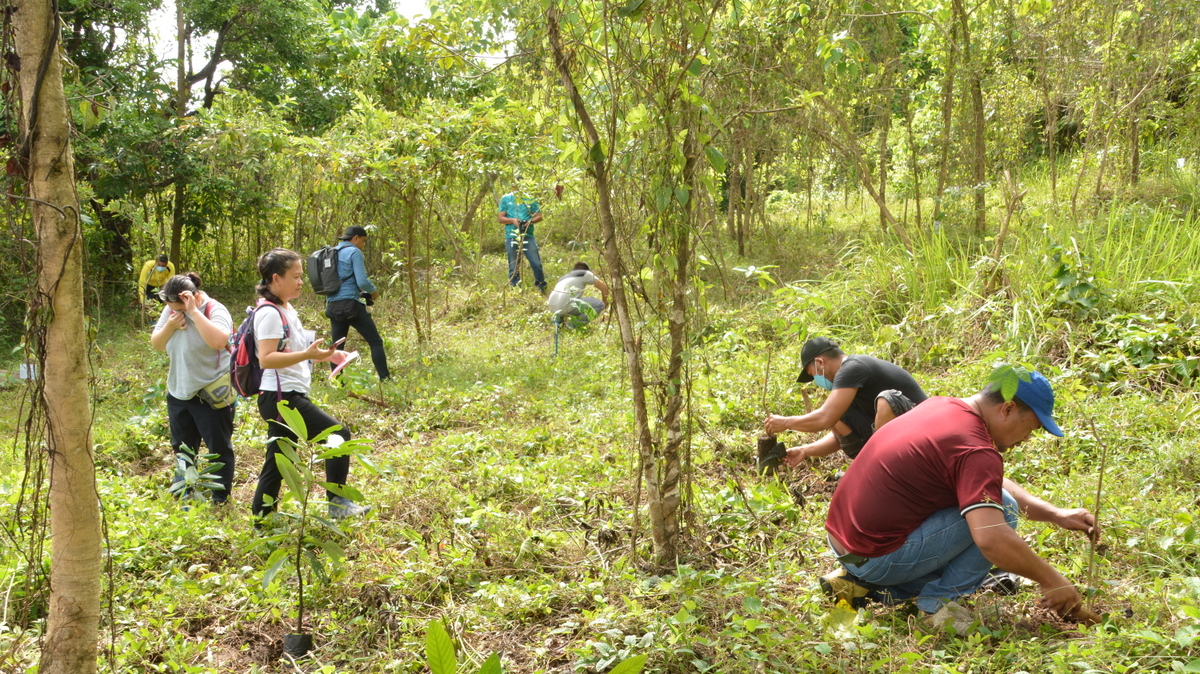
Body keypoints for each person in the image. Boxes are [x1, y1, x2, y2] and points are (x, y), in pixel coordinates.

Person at [820, 371, 1098, 624]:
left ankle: (861, 585)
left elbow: (989, 484)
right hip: (875, 557)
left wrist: (1055, 514)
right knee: (1002, 514)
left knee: (988, 519)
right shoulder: (975, 448)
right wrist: (1051, 580)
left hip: (843, 543)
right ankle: (937, 608)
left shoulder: (942, 406)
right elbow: (992, 538)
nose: (1026, 439)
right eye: (1032, 428)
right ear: (1009, 408)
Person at [251, 248, 370, 520]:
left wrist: (328, 355)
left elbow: (291, 352)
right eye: (295, 276)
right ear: (276, 279)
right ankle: (338, 504)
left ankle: (261, 517)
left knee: (279, 460)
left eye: (301, 276)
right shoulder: (269, 313)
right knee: (338, 434)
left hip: (284, 395)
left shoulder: (285, 308)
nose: (302, 281)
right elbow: (267, 358)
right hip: (281, 397)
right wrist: (307, 354)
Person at [764, 337, 927, 463]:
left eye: (814, 374)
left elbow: (824, 418)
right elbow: (839, 435)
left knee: (887, 400)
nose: (817, 379)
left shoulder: (852, 368)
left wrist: (785, 423)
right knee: (838, 415)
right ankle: (871, 465)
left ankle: (879, 466)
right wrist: (805, 450)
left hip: (923, 430)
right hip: (902, 433)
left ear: (820, 362)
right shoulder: (850, 384)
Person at [149, 273, 235, 503]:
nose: (176, 312)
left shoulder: (215, 310)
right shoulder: (172, 310)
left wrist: (194, 312)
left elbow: (218, 341)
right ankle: (185, 486)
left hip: (211, 392)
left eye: (180, 308)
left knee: (218, 447)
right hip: (179, 388)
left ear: (193, 297)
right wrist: (169, 324)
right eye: (171, 308)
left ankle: (219, 496)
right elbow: (157, 344)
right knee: (182, 446)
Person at [324, 225, 389, 381]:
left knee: (337, 347)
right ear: (356, 238)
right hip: (351, 306)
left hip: (332, 305)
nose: (363, 244)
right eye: (363, 241)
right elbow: (362, 280)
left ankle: (338, 382)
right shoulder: (354, 252)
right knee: (375, 342)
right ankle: (385, 379)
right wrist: (374, 292)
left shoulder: (331, 253)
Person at [498, 186, 546, 292]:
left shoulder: (530, 198)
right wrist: (513, 220)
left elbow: (539, 216)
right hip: (512, 235)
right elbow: (501, 218)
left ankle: (541, 285)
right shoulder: (506, 198)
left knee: (536, 263)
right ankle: (515, 287)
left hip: (528, 235)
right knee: (513, 264)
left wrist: (530, 222)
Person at [548, 262, 610, 328]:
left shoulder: (563, 278)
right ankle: (572, 326)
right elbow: (604, 287)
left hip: (552, 307)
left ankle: (559, 324)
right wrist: (605, 301)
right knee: (599, 304)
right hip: (566, 306)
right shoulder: (584, 273)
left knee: (569, 301)